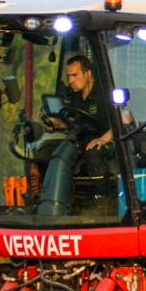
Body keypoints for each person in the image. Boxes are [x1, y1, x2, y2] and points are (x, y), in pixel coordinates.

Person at [33, 53, 115, 216]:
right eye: (68, 76)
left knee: (93, 151)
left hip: (110, 142)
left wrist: (103, 139)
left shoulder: (105, 95)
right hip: (83, 140)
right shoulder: (75, 98)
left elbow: (123, 120)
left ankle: (103, 200)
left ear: (88, 74)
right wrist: (59, 124)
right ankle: (47, 199)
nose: (70, 80)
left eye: (75, 75)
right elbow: (77, 124)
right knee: (45, 151)